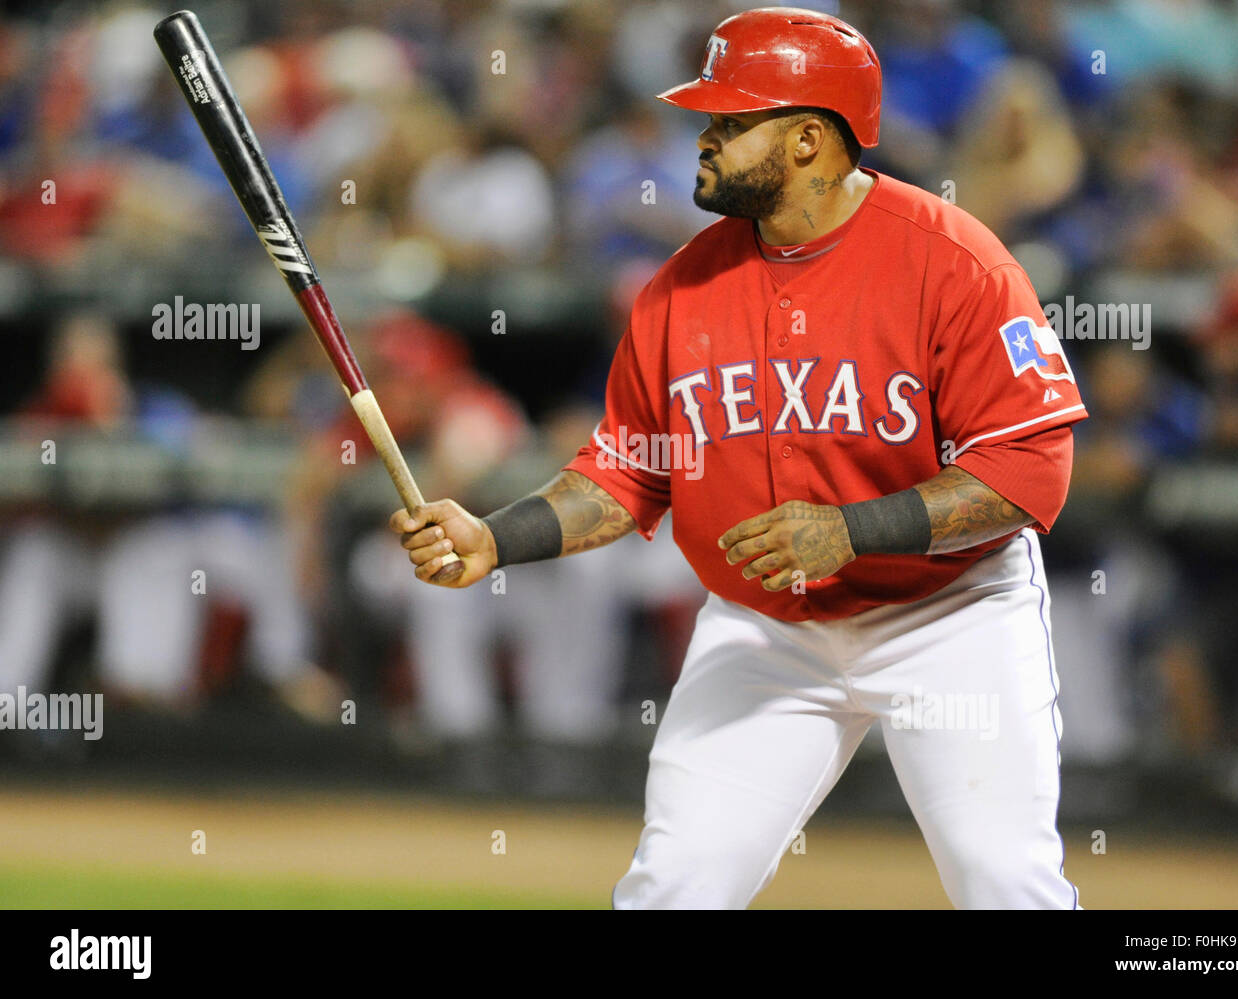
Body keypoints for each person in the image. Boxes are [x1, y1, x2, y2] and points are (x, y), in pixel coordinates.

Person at [390, 8, 1088, 909]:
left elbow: (1030, 472)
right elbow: (626, 474)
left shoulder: (956, 265)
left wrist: (850, 530)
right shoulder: (681, 287)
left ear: (808, 139)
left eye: (729, 121)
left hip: (945, 614)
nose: (705, 139)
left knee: (1006, 885)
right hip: (769, 629)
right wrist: (495, 536)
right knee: (672, 887)